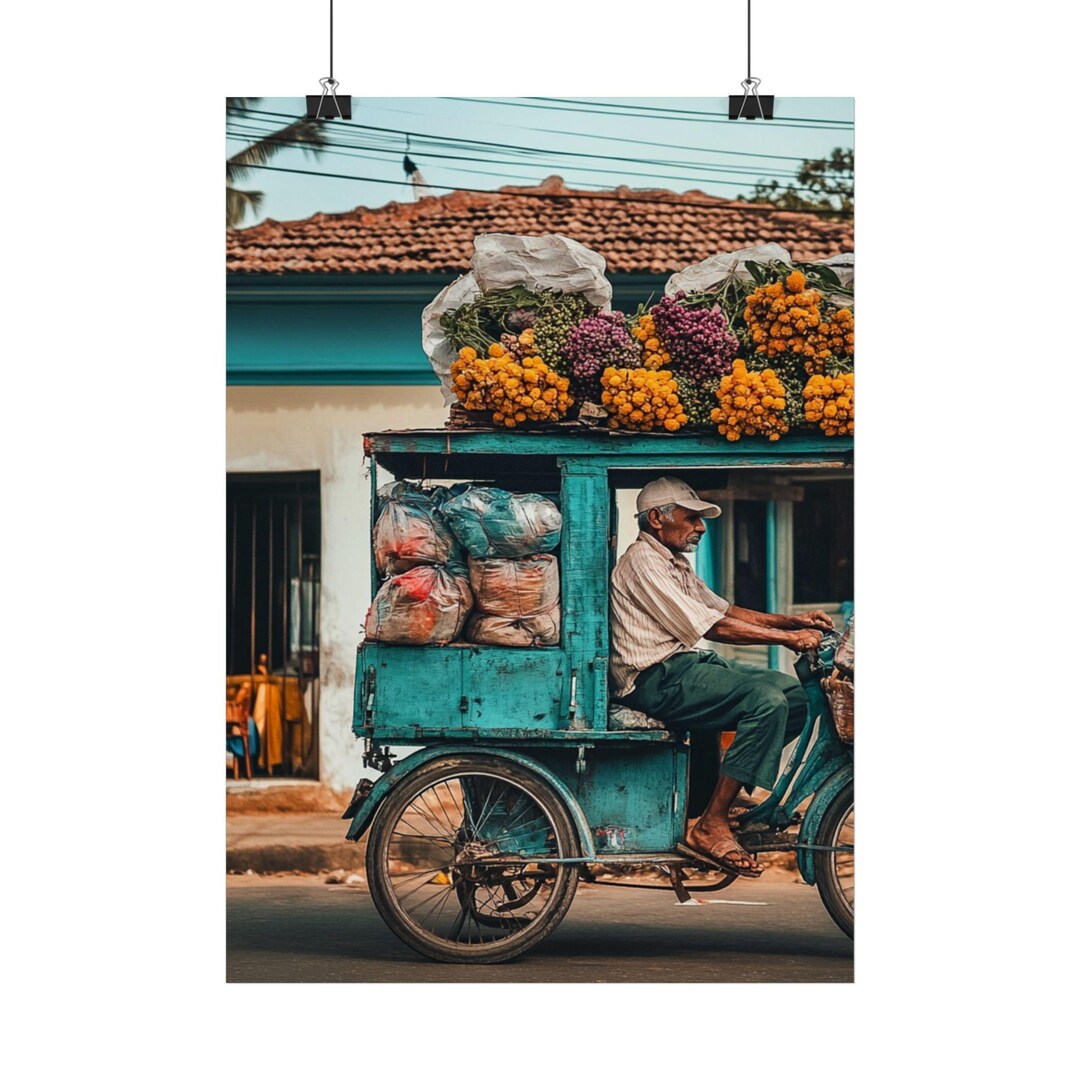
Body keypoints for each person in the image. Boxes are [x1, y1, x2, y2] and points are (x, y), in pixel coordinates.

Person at [609, 477, 833, 877]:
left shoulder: (672, 561)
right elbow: (712, 627)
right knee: (765, 701)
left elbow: (724, 610)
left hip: (685, 668)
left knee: (793, 696)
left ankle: (721, 797)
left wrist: (789, 620)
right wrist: (787, 639)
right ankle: (711, 823)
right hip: (654, 678)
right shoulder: (642, 562)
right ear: (658, 518)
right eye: (692, 517)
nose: (701, 527)